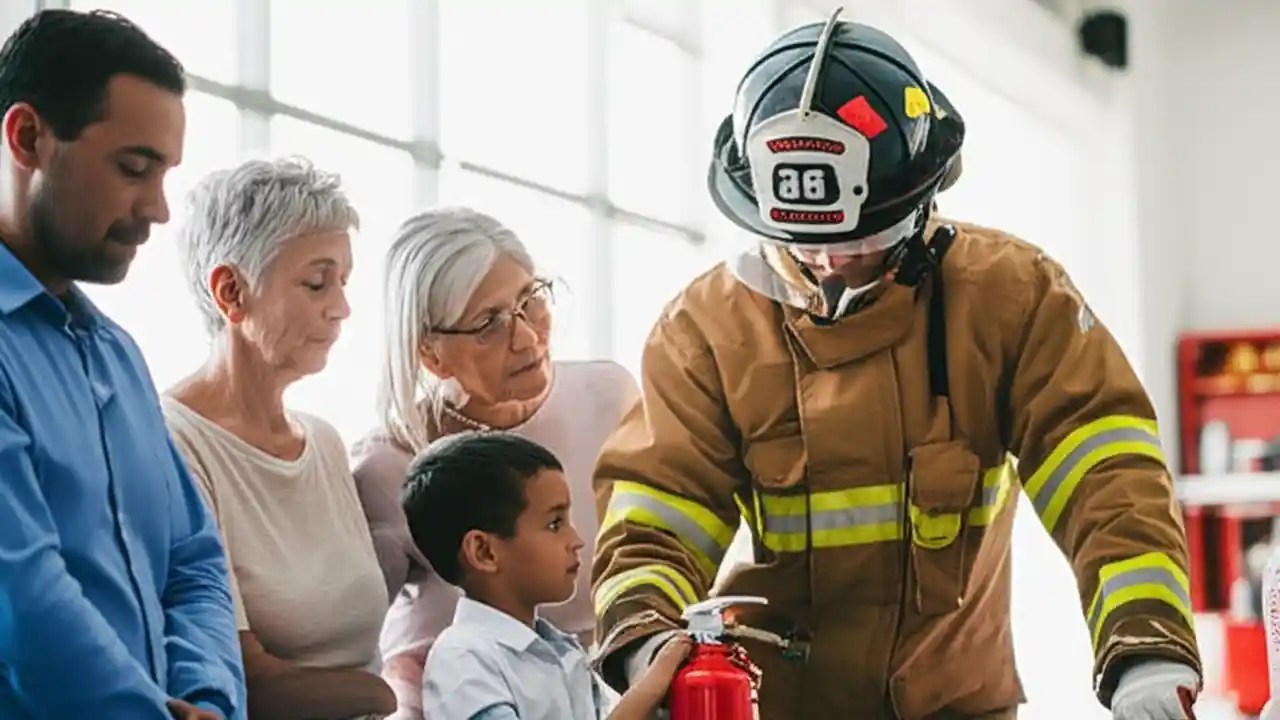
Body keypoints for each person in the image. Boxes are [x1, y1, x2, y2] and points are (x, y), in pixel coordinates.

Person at [590, 9, 1201, 720]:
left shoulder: (1012, 298)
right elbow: (652, 520)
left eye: (862, 238)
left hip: (961, 703)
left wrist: (1146, 654)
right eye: (800, 242)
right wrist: (648, 649)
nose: (828, 262)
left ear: (924, 196)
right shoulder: (705, 331)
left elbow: (1109, 481)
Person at [0, 8, 244, 719]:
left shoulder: (117, 355)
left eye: (164, 172)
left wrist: (208, 699)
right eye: (133, 169)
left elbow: (195, 562)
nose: (159, 208)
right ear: (27, 138)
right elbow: (22, 602)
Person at [352, 207, 639, 718]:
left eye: (531, 300)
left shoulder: (609, 397)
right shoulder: (386, 464)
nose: (527, 336)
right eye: (488, 323)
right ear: (431, 354)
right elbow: (352, 642)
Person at [162, 157, 395, 719]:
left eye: (343, 281)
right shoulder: (173, 441)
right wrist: (389, 694)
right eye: (317, 282)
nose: (340, 308)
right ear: (232, 292)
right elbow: (246, 678)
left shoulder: (325, 442)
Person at [402, 431, 693, 719]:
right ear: (484, 552)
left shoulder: (562, 650)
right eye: (555, 524)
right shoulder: (464, 658)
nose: (576, 540)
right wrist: (650, 688)